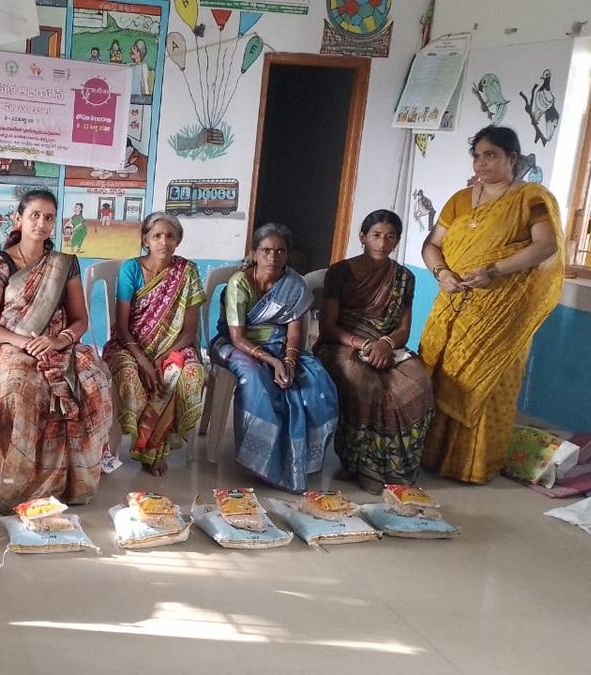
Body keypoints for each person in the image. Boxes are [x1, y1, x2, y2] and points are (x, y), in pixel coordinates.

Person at [419, 125, 563, 483]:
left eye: (491, 155)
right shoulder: (460, 199)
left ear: (511, 159)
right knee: (439, 376)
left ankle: (473, 466)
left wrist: (494, 272)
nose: (482, 163)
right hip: (453, 304)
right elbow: (431, 245)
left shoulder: (531, 198)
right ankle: (430, 456)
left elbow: (545, 246)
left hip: (500, 312)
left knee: (489, 382)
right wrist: (441, 273)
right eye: (478, 155)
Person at [0, 189, 113, 514]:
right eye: (34, 215)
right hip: (8, 344)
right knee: (23, 387)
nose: (41, 222)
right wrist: (24, 343)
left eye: (48, 217)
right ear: (19, 219)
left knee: (94, 379)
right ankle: (23, 485)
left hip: (58, 344)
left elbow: (80, 319)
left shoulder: (64, 264)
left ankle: (76, 482)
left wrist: (60, 341)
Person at [314, 210, 435, 493]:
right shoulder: (340, 272)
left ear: (397, 242)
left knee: (418, 383)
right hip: (343, 344)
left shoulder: (404, 278)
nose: (382, 243)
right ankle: (359, 465)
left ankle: (397, 468)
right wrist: (365, 345)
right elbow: (328, 327)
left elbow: (404, 329)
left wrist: (386, 344)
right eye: (377, 235)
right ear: (362, 237)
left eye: (390, 237)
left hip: (388, 345)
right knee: (364, 381)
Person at [212, 224, 338, 492]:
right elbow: (237, 338)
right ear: (254, 253)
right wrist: (272, 362)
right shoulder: (240, 282)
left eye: (280, 251)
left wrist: (290, 363)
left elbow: (295, 335)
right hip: (236, 345)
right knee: (256, 379)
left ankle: (300, 459)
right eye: (266, 251)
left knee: (316, 382)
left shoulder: (293, 285)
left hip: (281, 346)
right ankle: (261, 461)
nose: (273, 257)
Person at [103, 212, 205, 476]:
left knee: (189, 376)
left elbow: (190, 331)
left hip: (175, 346)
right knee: (128, 375)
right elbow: (123, 329)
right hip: (130, 346)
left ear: (178, 241)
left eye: (170, 236)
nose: (163, 242)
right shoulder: (131, 269)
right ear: (145, 239)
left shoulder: (187, 272)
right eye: (157, 236)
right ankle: (145, 445)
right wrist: (144, 361)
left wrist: (164, 358)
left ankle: (156, 448)